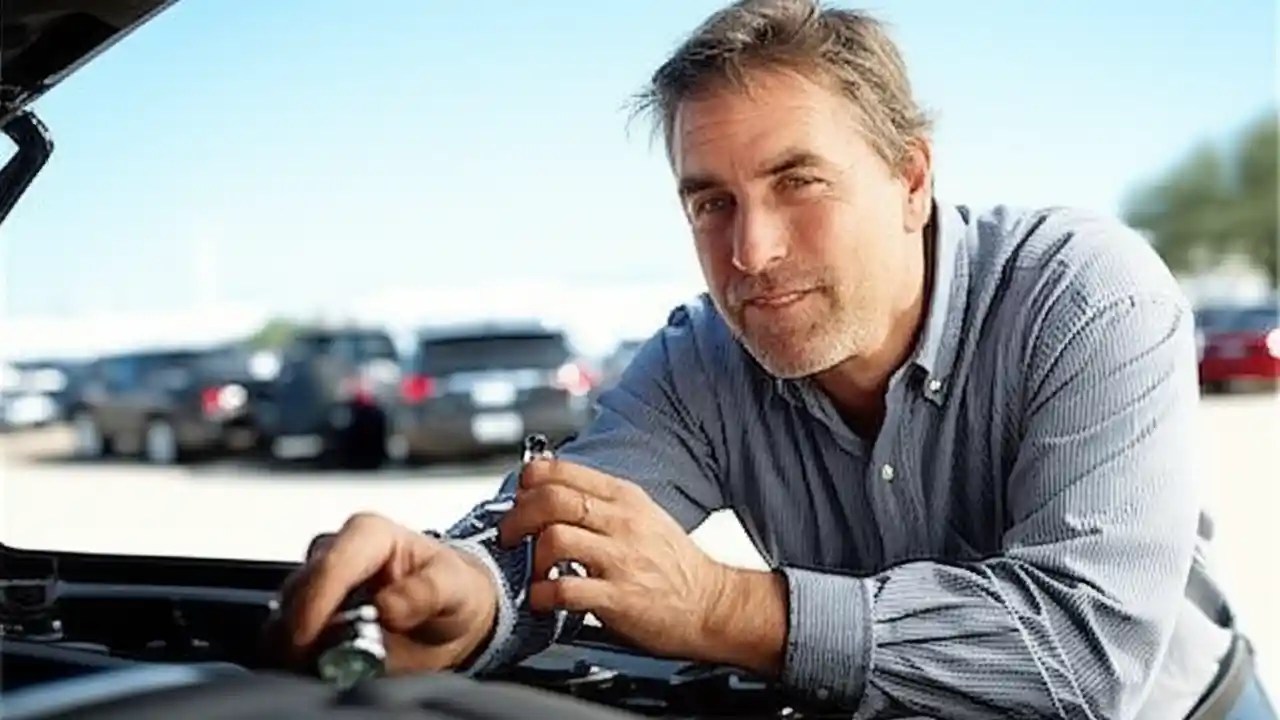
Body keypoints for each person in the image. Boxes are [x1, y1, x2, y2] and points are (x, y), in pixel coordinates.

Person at [267, 1, 1274, 717]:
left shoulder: (1084, 293)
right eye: (709, 202)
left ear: (909, 177)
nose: (749, 253)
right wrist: (462, 584)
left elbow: (1081, 658)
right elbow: (568, 526)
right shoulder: (700, 364)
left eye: (797, 181)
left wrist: (719, 607)